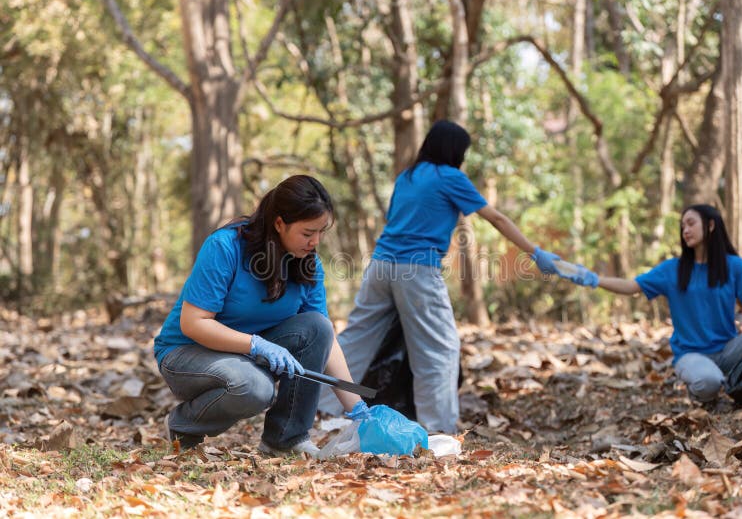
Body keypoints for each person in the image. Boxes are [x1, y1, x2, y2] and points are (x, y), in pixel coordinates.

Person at [318, 120, 561, 433]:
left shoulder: (407, 177)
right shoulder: (450, 177)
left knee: (355, 340)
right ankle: (438, 429)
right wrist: (535, 252)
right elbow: (496, 218)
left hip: (379, 265)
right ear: (455, 151)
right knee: (439, 348)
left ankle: (321, 411)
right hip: (416, 270)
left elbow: (397, 219)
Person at [154, 175, 362, 455]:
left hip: (244, 357)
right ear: (279, 223)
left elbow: (323, 337)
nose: (316, 241)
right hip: (186, 354)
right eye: (307, 232)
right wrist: (256, 344)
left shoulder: (307, 264)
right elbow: (193, 323)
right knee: (255, 389)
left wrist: (358, 410)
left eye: (321, 231)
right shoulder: (225, 247)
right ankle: (184, 425)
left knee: (317, 326)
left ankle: (286, 439)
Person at [554, 204, 742, 402]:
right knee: (709, 383)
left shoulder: (733, 266)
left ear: (711, 225)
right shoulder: (673, 269)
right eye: (682, 226)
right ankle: (701, 388)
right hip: (691, 354)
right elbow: (631, 287)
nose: (685, 230)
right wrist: (592, 278)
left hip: (729, 350)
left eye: (691, 223)